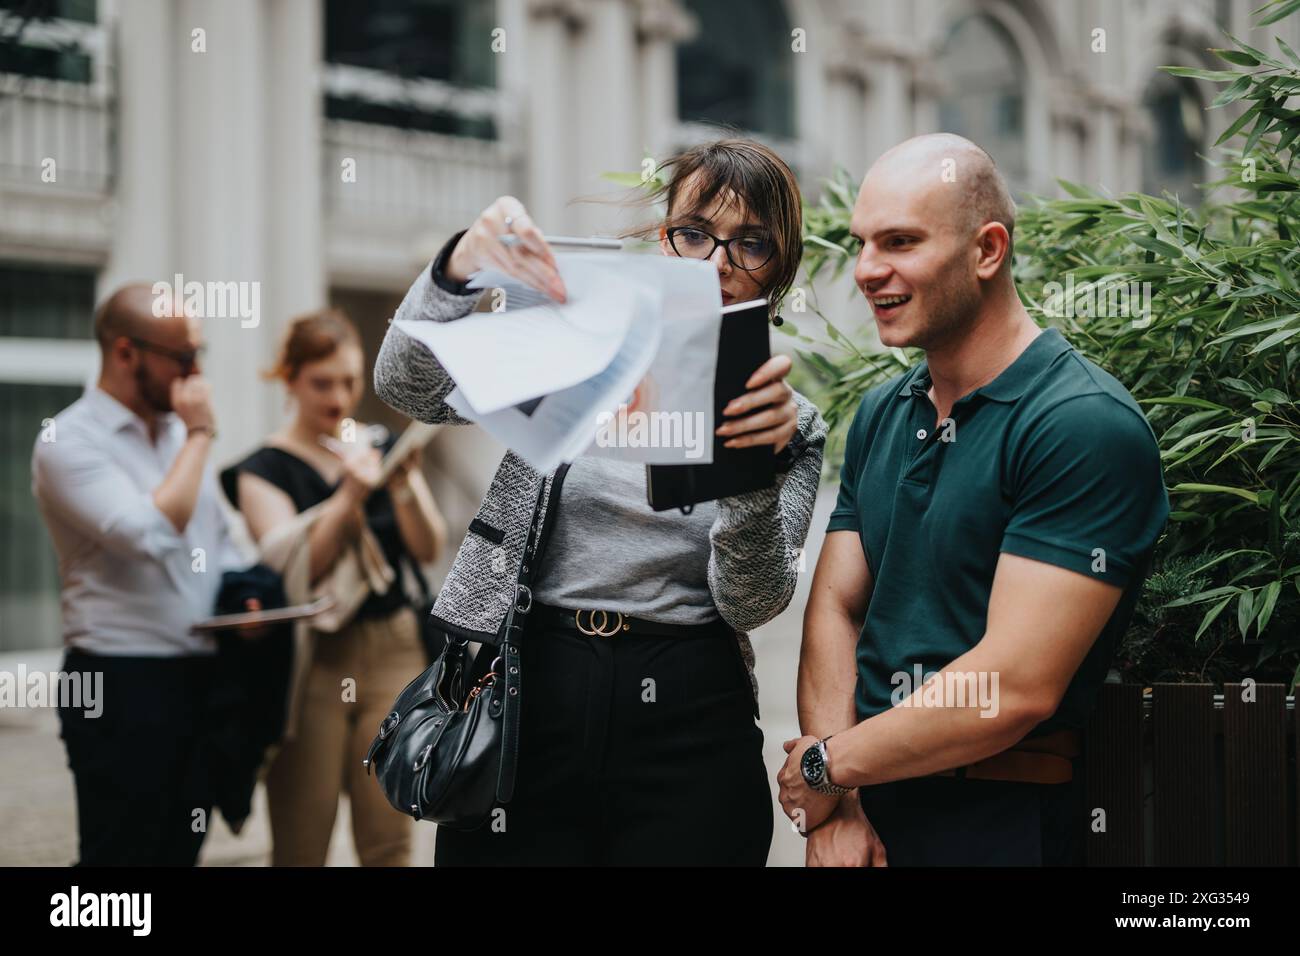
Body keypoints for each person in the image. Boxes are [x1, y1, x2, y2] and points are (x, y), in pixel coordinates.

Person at [374, 138, 826, 866]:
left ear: (782, 265)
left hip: (689, 700)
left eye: (751, 244)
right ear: (663, 240)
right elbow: (409, 388)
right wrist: (457, 269)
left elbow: (752, 602)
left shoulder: (792, 421)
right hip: (532, 677)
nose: (718, 265)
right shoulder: (581, 352)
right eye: (696, 235)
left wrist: (750, 473)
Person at [780, 133, 1169, 866]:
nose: (866, 270)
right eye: (860, 243)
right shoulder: (882, 413)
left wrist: (825, 768)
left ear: (987, 250)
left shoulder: (1081, 423)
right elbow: (837, 605)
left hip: (1003, 818)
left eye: (899, 242)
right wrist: (839, 810)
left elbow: (1013, 686)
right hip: (868, 810)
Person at [220, 309, 447, 866]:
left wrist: (404, 485)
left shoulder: (378, 446)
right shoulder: (261, 470)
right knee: (302, 837)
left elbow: (428, 548)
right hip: (314, 660)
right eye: (322, 382)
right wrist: (348, 496)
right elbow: (296, 569)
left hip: (394, 648)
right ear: (289, 378)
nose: (339, 396)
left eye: (349, 381)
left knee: (389, 839)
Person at [32, 283, 241, 866]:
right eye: (182, 357)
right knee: (119, 861)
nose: (195, 372)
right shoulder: (67, 440)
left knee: (178, 852)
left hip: (196, 676)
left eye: (199, 354)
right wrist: (201, 435)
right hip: (118, 680)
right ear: (125, 353)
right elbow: (148, 534)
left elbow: (217, 544)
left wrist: (248, 604)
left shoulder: (174, 435)